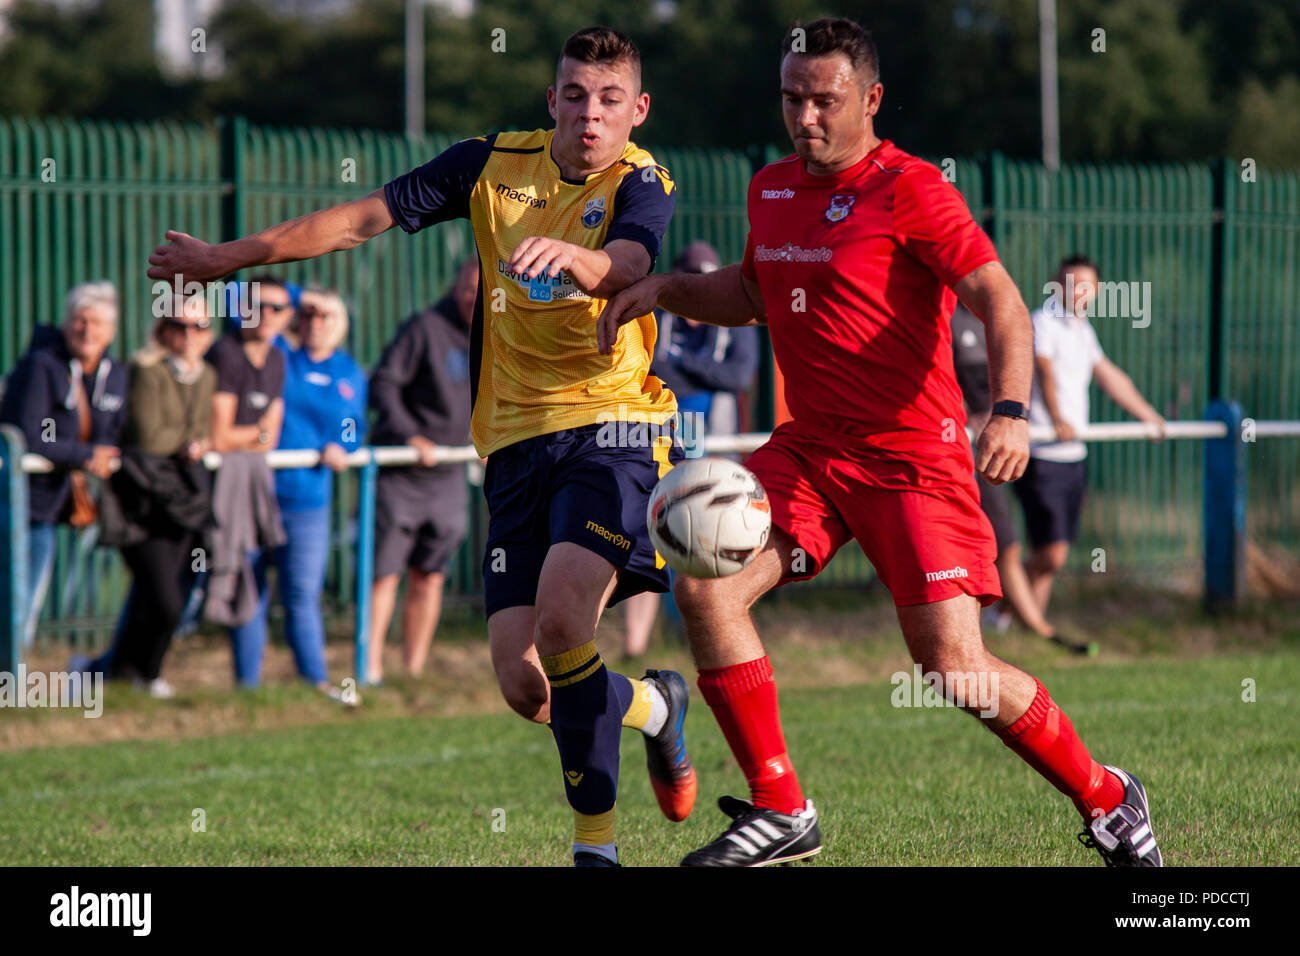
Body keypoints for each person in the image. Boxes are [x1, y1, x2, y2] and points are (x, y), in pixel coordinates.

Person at [601, 18, 1162, 867]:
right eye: (792, 99)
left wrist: (1010, 407)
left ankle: (1109, 800)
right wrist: (667, 289)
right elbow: (757, 292)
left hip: (914, 461)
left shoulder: (912, 190)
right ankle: (782, 807)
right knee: (705, 586)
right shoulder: (771, 190)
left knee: (954, 668)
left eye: (824, 100)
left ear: (871, 99)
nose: (806, 117)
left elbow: (1001, 301)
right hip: (812, 452)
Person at [148, 26, 696, 867]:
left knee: (561, 621)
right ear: (551, 99)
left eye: (610, 100)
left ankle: (597, 851)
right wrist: (230, 257)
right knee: (528, 687)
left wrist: (581, 264)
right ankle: (657, 709)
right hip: (512, 446)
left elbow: (633, 258)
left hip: (612, 430)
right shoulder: (489, 165)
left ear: (638, 110)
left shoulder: (641, 178)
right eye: (576, 96)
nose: (591, 115)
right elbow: (358, 220)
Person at [621, 240, 760, 659]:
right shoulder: (658, 318)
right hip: (662, 444)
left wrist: (682, 367)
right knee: (647, 539)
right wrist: (690, 372)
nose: (699, 294)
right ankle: (636, 646)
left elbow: (737, 374)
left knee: (713, 541)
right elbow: (645, 369)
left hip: (716, 452)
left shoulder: (734, 321)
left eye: (706, 282)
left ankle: (708, 631)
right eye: (691, 282)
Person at [1017, 254, 1167, 616]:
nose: (1076, 291)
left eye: (1084, 284)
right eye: (1069, 282)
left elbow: (1108, 375)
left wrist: (1149, 416)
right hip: (1042, 454)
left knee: (1052, 554)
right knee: (1052, 553)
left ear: (1097, 290)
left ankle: (1026, 626)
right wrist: (1057, 418)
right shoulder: (1043, 321)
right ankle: (1004, 606)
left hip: (1074, 457)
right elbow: (1043, 371)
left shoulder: (1083, 330)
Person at [950, 302, 1094, 655]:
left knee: (1039, 550)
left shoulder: (1002, 315)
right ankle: (1042, 632)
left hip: (1011, 445)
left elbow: (1023, 373)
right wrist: (968, 414)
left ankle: (1012, 621)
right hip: (969, 451)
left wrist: (1009, 415)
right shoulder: (945, 319)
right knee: (1006, 546)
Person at [94, 294, 216, 696]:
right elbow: (149, 437)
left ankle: (122, 676)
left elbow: (197, 431)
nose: (189, 336)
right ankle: (144, 674)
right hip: (141, 500)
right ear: (163, 330)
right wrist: (192, 441)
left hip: (179, 502)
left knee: (160, 596)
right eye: (179, 326)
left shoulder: (206, 375)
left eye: (198, 327)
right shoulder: (145, 370)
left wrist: (194, 441)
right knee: (164, 599)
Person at [366, 258, 476, 684]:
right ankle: (370, 669)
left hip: (449, 476)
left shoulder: (497, 332)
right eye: (468, 288)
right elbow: (384, 384)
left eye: (481, 291)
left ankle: (413, 671)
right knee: (384, 575)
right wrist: (409, 435)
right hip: (403, 474)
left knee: (430, 576)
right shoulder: (423, 328)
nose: (474, 297)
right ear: (455, 287)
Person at [0, 281, 127, 647]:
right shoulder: (42, 365)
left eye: (96, 322)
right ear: (67, 322)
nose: (86, 330)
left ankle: (14, 680)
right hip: (18, 501)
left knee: (29, 598)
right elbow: (33, 434)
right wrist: (85, 455)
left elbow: (117, 430)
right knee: (15, 596)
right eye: (79, 320)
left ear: (111, 330)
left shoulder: (115, 375)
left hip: (58, 504)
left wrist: (102, 451)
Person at [271, 286, 369, 697]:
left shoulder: (348, 373)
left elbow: (353, 426)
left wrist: (342, 445)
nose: (314, 322)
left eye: (324, 316)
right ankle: (246, 688)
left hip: (309, 499)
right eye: (307, 315)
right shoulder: (279, 355)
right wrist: (300, 296)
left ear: (340, 325)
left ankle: (314, 682)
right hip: (261, 491)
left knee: (301, 592)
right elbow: (243, 297)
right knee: (249, 591)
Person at [204, 275, 291, 686]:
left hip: (241, 483)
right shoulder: (225, 353)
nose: (268, 315)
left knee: (249, 582)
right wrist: (253, 434)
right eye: (260, 306)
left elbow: (268, 435)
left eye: (277, 308)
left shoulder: (277, 358)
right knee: (178, 589)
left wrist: (251, 435)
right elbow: (221, 437)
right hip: (204, 487)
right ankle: (111, 672)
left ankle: (248, 684)